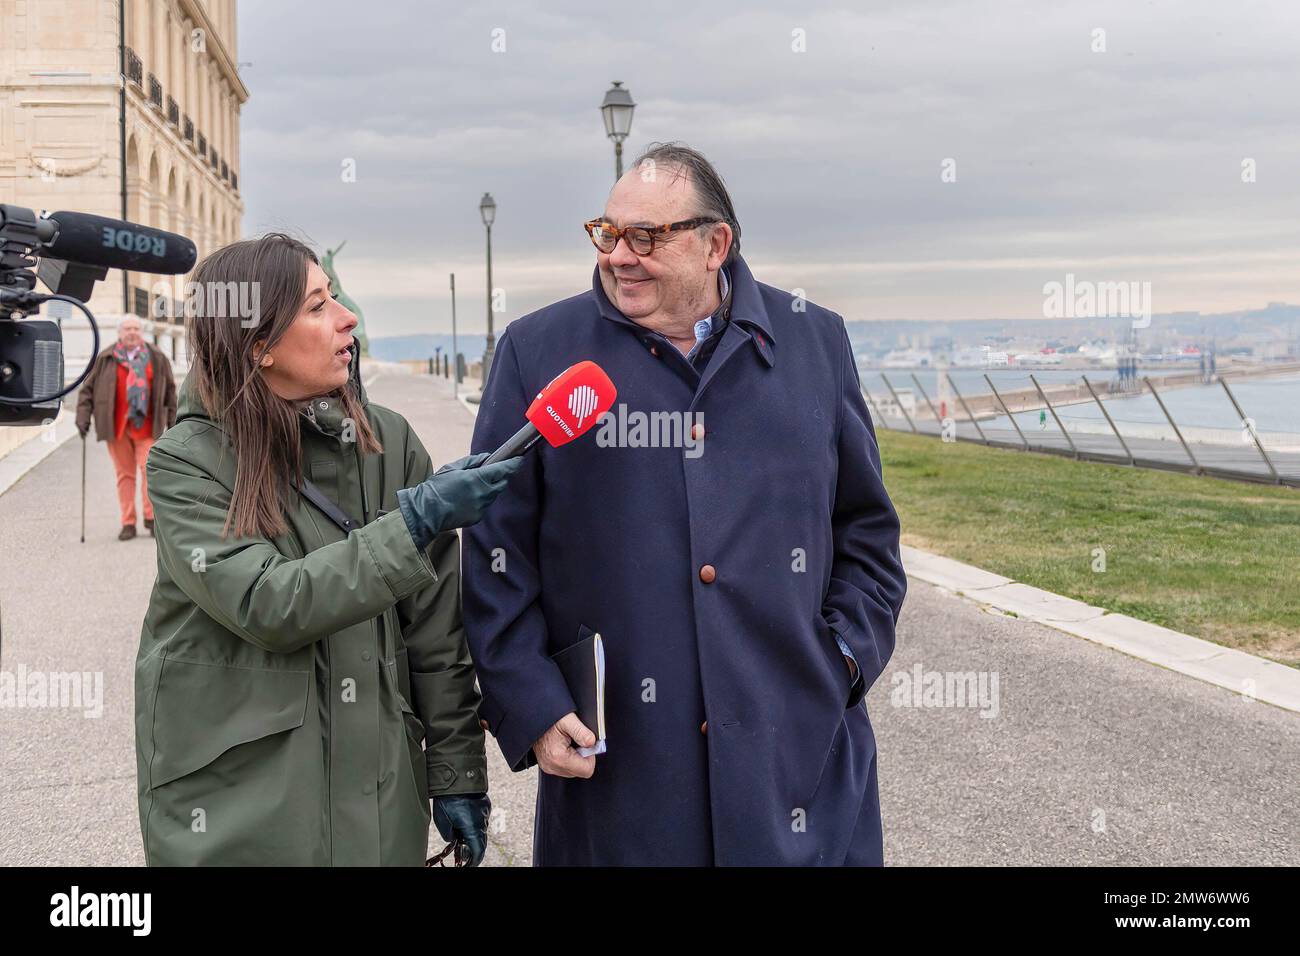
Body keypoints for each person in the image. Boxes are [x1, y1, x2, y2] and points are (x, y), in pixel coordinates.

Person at [463, 143, 908, 865]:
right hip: (622, 780)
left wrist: (844, 660)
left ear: (715, 245)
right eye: (609, 233)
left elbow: (866, 532)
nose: (619, 256)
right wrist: (534, 705)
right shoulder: (537, 351)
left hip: (797, 768)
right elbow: (493, 554)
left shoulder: (815, 341)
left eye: (647, 237)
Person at [134, 234, 521, 865]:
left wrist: (457, 774)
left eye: (335, 296)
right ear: (257, 346)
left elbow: (435, 636)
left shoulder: (387, 440)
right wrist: (415, 521)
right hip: (242, 815)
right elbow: (270, 604)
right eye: (317, 306)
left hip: (380, 804)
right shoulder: (186, 463)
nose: (347, 318)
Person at [74, 316, 177, 540]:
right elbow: (87, 391)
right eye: (128, 328)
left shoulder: (157, 357)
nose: (132, 332)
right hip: (117, 427)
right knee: (125, 476)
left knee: (149, 471)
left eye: (136, 328)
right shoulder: (106, 358)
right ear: (120, 333)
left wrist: (174, 423)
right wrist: (83, 418)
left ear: (142, 332)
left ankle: (150, 518)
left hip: (148, 427)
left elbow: (170, 391)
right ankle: (128, 522)